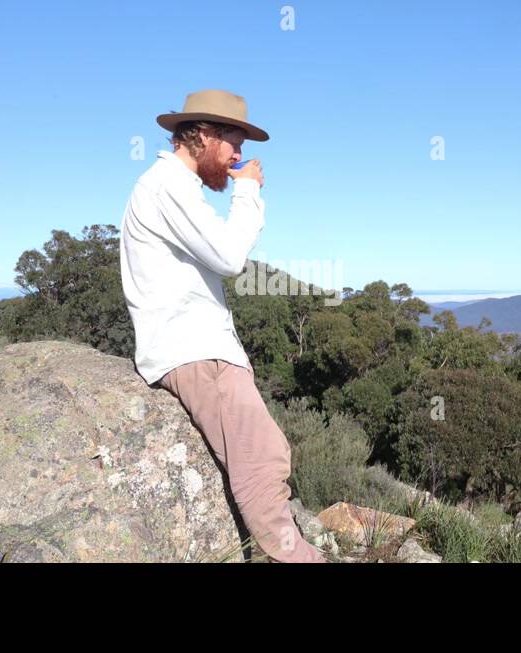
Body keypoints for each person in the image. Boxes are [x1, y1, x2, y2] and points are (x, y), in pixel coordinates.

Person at [119, 89, 326, 563]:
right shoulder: (167, 186)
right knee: (262, 461)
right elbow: (230, 257)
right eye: (234, 142)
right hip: (194, 350)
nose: (240, 156)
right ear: (203, 135)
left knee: (265, 451)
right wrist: (248, 191)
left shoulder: (172, 187)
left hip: (198, 347)